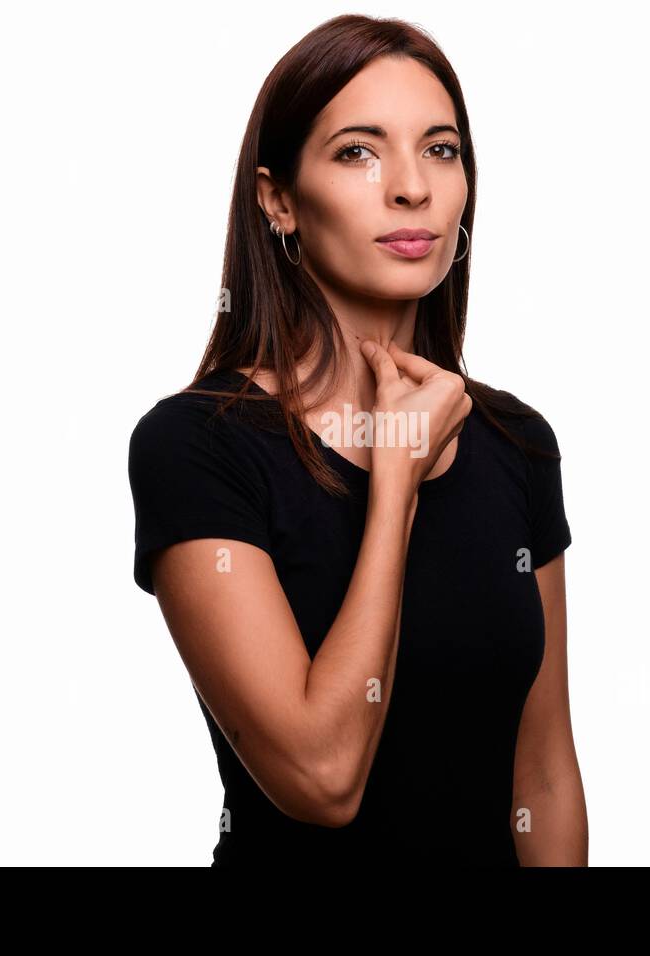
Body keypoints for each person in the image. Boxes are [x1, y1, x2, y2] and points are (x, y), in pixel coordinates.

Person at [128, 14, 586, 866]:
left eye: (441, 149)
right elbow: (322, 777)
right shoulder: (196, 446)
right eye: (358, 152)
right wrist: (395, 483)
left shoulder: (518, 444)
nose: (410, 187)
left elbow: (545, 772)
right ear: (278, 200)